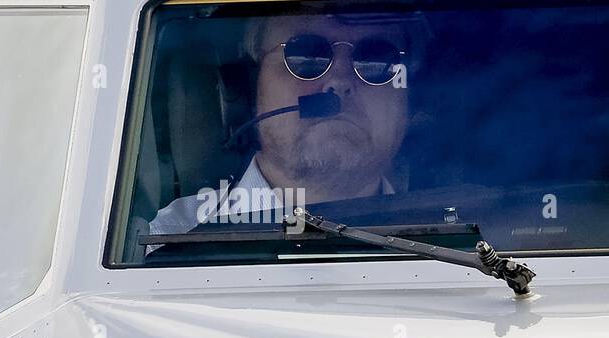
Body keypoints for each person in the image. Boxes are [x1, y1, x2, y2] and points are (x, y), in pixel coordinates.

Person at [148, 12, 417, 236]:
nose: (339, 81)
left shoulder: (454, 244)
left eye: (377, 61)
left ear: (409, 102)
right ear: (251, 87)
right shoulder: (166, 242)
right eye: (307, 56)